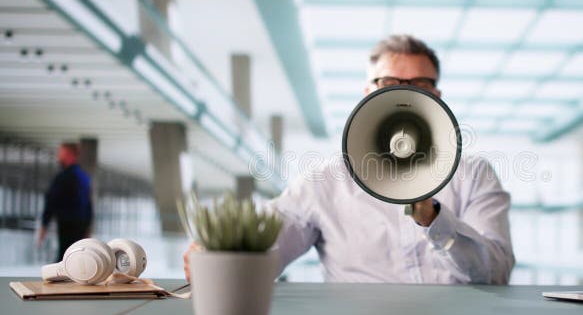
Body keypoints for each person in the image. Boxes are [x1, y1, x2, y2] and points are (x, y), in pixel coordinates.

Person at [184, 34, 514, 284]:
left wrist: (434, 218)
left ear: (437, 96)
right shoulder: (323, 183)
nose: (404, 92)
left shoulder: (474, 174)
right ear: (368, 93)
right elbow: (272, 239)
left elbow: (496, 272)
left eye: (420, 83)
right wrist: (221, 251)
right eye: (387, 82)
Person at [37, 143, 94, 262]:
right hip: (81, 224)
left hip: (67, 223)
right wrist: (88, 227)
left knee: (64, 257)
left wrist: (44, 224)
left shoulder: (63, 177)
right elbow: (88, 204)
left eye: (61, 153)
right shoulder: (84, 177)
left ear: (69, 155)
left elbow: (51, 200)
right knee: (75, 258)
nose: (59, 157)